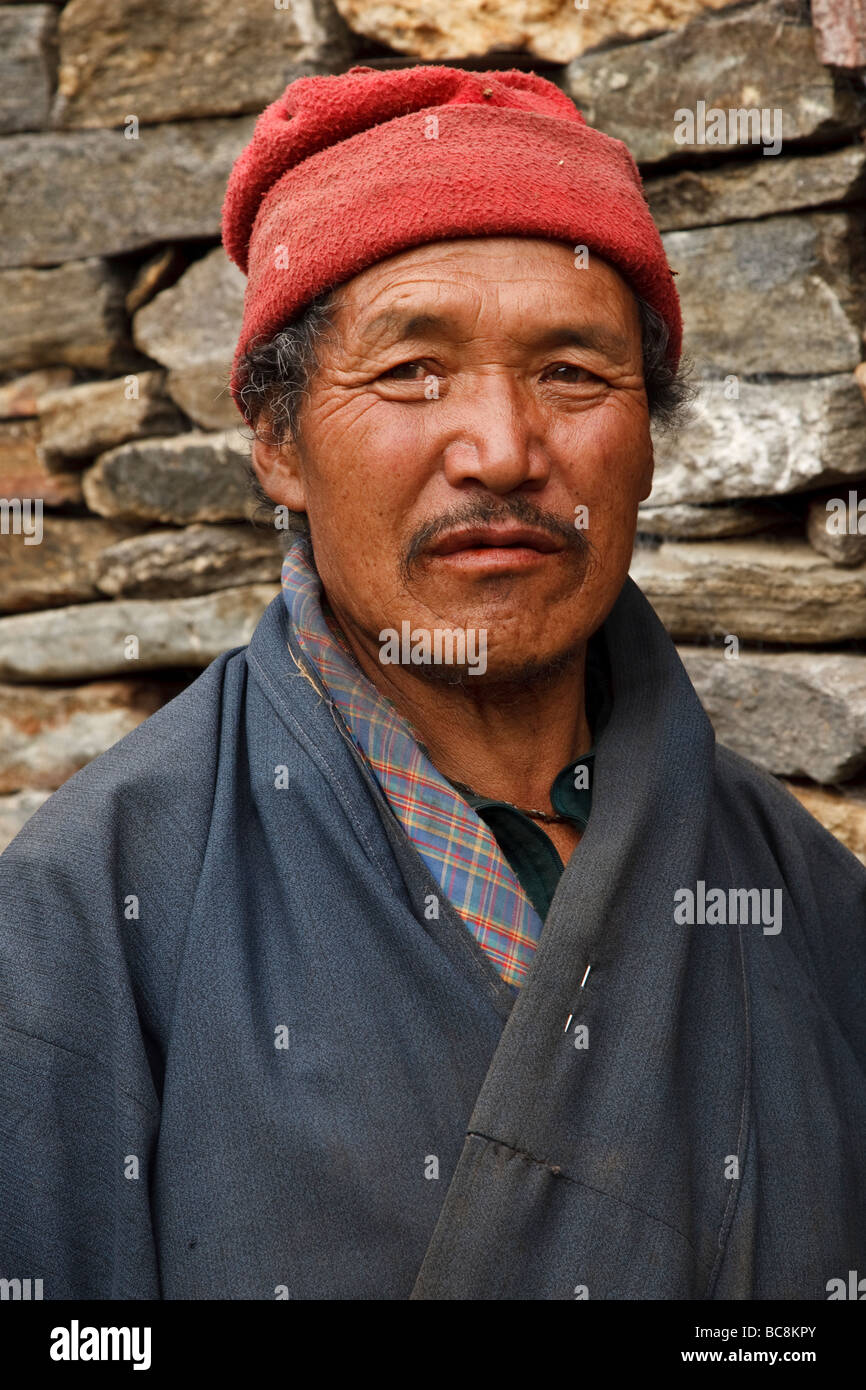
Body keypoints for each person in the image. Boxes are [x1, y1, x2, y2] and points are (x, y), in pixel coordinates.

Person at [1, 65, 864, 1301]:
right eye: (412, 369)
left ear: (648, 440)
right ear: (277, 441)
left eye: (572, 371)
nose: (503, 448)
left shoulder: (798, 894)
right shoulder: (91, 907)